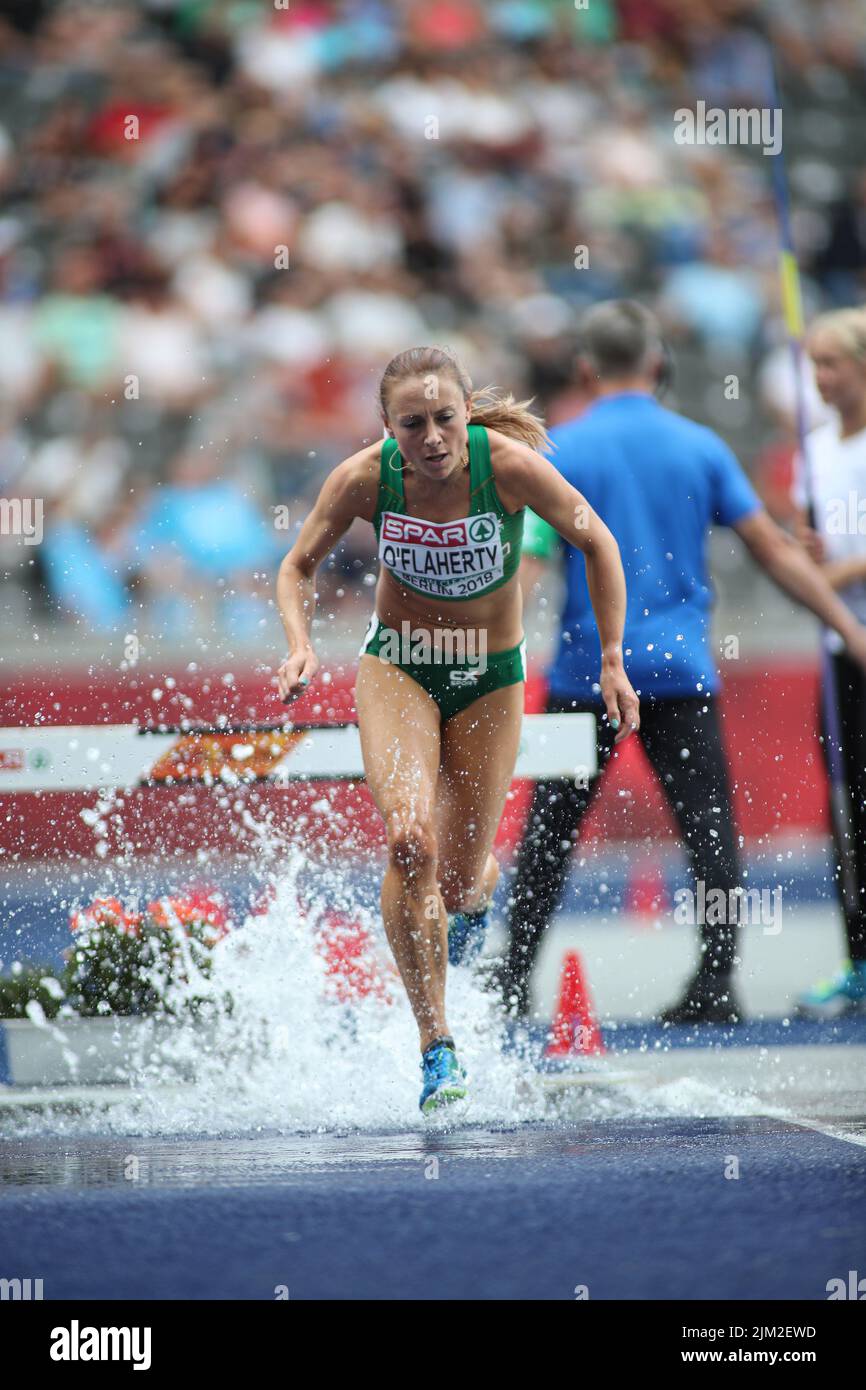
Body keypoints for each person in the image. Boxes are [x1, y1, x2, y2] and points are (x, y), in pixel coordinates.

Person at [275, 344, 639, 1114]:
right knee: (409, 840)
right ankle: (436, 1045)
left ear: (466, 414)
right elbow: (297, 565)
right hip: (399, 666)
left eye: (445, 419)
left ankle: (467, 904)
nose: (433, 438)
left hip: (490, 678)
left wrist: (612, 657)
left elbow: (598, 543)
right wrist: (301, 644)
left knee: (463, 880)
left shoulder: (507, 468)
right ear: (387, 427)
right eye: (413, 424)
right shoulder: (364, 479)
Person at [495, 300, 866, 1026]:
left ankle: (512, 979)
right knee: (708, 829)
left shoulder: (558, 450)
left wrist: (493, 651)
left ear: (584, 368)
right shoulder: (700, 447)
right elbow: (774, 551)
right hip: (679, 670)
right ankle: (716, 981)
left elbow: (529, 565)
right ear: (659, 367)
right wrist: (845, 626)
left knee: (549, 832)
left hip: (586, 673)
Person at [792, 307, 866, 1017]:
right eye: (812, 364)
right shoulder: (815, 448)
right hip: (843, 654)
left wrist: (827, 578)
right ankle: (859, 959)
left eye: (832, 364)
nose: (818, 377)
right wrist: (806, 552)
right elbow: (801, 539)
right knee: (847, 806)